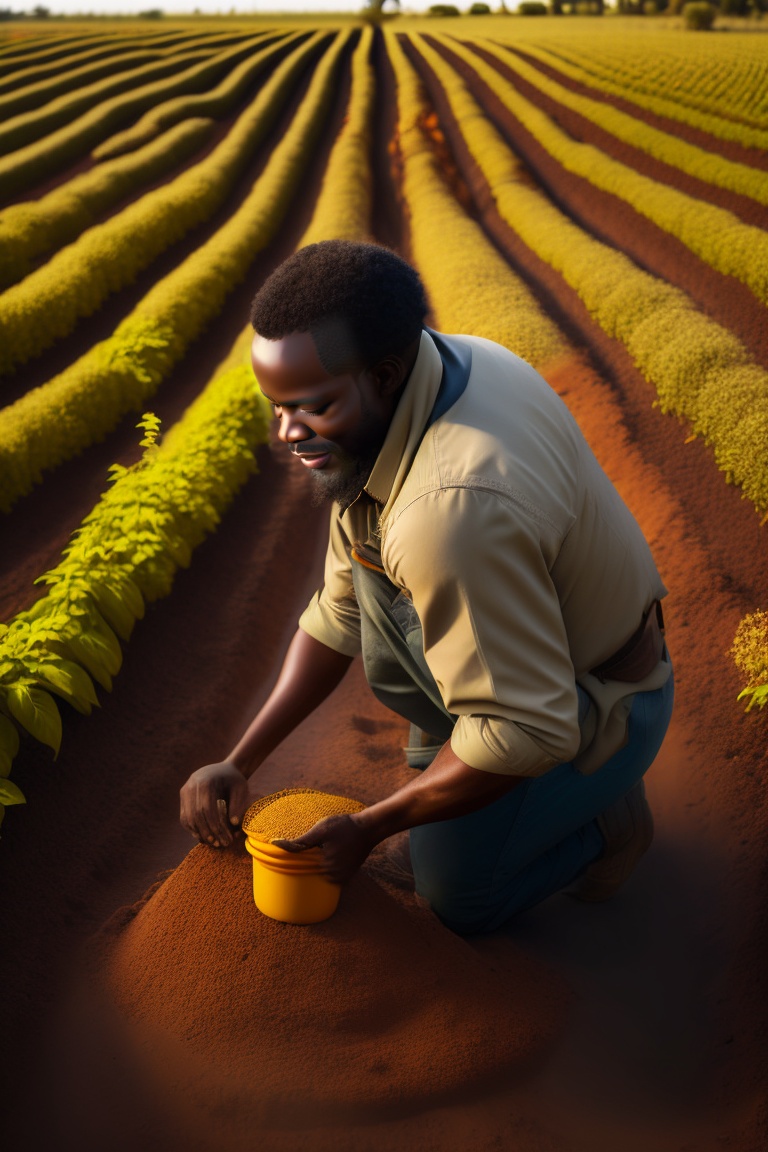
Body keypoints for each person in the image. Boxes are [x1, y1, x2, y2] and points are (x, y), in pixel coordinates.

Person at [179, 240, 673, 935]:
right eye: (277, 405)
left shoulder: (449, 511)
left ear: (383, 375)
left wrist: (371, 826)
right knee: (441, 782)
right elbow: (343, 606)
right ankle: (470, 772)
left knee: (453, 896)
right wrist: (239, 760)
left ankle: (607, 824)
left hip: (592, 701)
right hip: (533, 650)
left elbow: (526, 726)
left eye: (312, 406)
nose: (288, 432)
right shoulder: (430, 370)